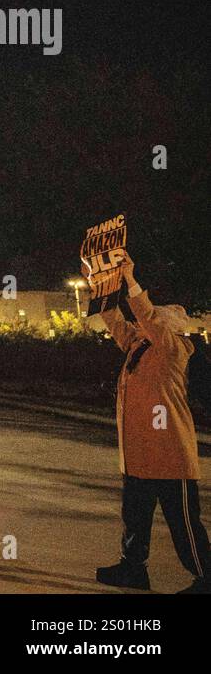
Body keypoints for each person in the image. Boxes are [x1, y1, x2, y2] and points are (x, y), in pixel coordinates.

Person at [95, 252, 209, 593]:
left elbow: (145, 315)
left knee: (185, 525)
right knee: (134, 519)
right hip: (140, 455)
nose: (147, 322)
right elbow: (113, 319)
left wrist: (130, 279)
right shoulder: (138, 347)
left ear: (171, 327)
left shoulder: (174, 349)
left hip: (171, 454)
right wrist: (101, 285)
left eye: (156, 319)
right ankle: (133, 570)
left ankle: (207, 576)